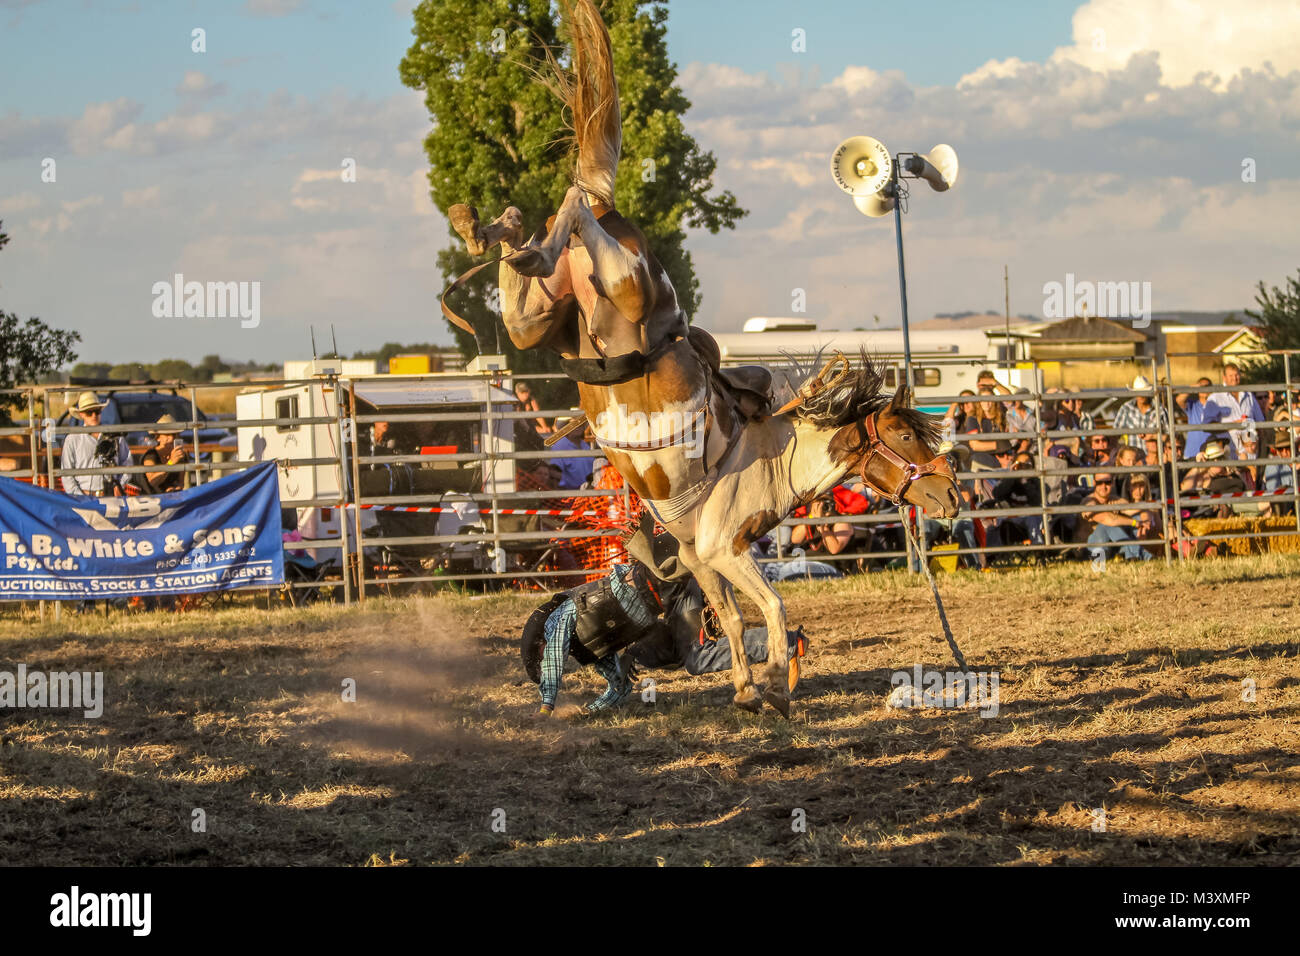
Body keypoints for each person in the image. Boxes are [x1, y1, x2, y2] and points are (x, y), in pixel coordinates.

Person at [522, 518, 808, 715]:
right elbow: (617, 687)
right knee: (652, 654)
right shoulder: (585, 643)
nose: (548, 656)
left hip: (674, 582)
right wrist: (589, 710)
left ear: (540, 641)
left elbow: (553, 657)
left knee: (697, 659)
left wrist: (547, 707)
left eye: (542, 653)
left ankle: (785, 642)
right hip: (665, 598)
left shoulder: (560, 617)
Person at [59, 391, 130, 496]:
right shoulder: (72, 439)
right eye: (89, 412)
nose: (94, 416)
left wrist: (119, 485)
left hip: (111, 496)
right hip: (84, 496)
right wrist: (80, 497)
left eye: (97, 411)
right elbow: (66, 475)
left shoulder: (115, 436)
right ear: (81, 414)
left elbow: (127, 462)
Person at [1078, 472, 1152, 562]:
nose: (1103, 486)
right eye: (1099, 483)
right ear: (1094, 483)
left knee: (1136, 516)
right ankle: (1143, 555)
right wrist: (1135, 523)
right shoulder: (1088, 501)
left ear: (1112, 483)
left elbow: (1130, 510)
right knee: (1106, 525)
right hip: (1090, 549)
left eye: (1107, 482)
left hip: (1111, 548)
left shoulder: (1114, 499)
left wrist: (1146, 513)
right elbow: (1108, 519)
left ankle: (1133, 555)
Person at [1204, 363, 1265, 459]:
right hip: (1229, 454)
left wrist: (1257, 442)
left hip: (1252, 454)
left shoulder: (1248, 395)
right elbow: (1207, 426)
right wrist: (1233, 425)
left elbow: (1260, 422)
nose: (1234, 378)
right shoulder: (1215, 397)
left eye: (1237, 375)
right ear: (1224, 378)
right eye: (1231, 376)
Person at [137, 414, 190, 494]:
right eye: (167, 435)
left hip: (171, 498)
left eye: (174, 434)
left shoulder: (181, 456)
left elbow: (181, 482)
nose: (172, 438)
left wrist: (176, 488)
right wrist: (171, 462)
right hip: (150, 499)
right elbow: (153, 481)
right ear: (158, 437)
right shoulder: (150, 456)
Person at [790, 492, 854, 556]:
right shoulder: (810, 519)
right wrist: (811, 517)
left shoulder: (841, 521)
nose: (822, 506)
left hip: (830, 564)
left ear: (833, 504)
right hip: (809, 561)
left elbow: (834, 550)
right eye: (818, 502)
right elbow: (795, 539)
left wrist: (822, 525)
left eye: (826, 502)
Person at [1113, 375, 1168, 447]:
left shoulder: (1160, 409)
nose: (1141, 395)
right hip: (1133, 456)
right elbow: (1115, 434)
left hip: (1156, 456)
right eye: (1138, 392)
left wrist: (1153, 436)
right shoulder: (1126, 408)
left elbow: (1169, 436)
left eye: (1144, 392)